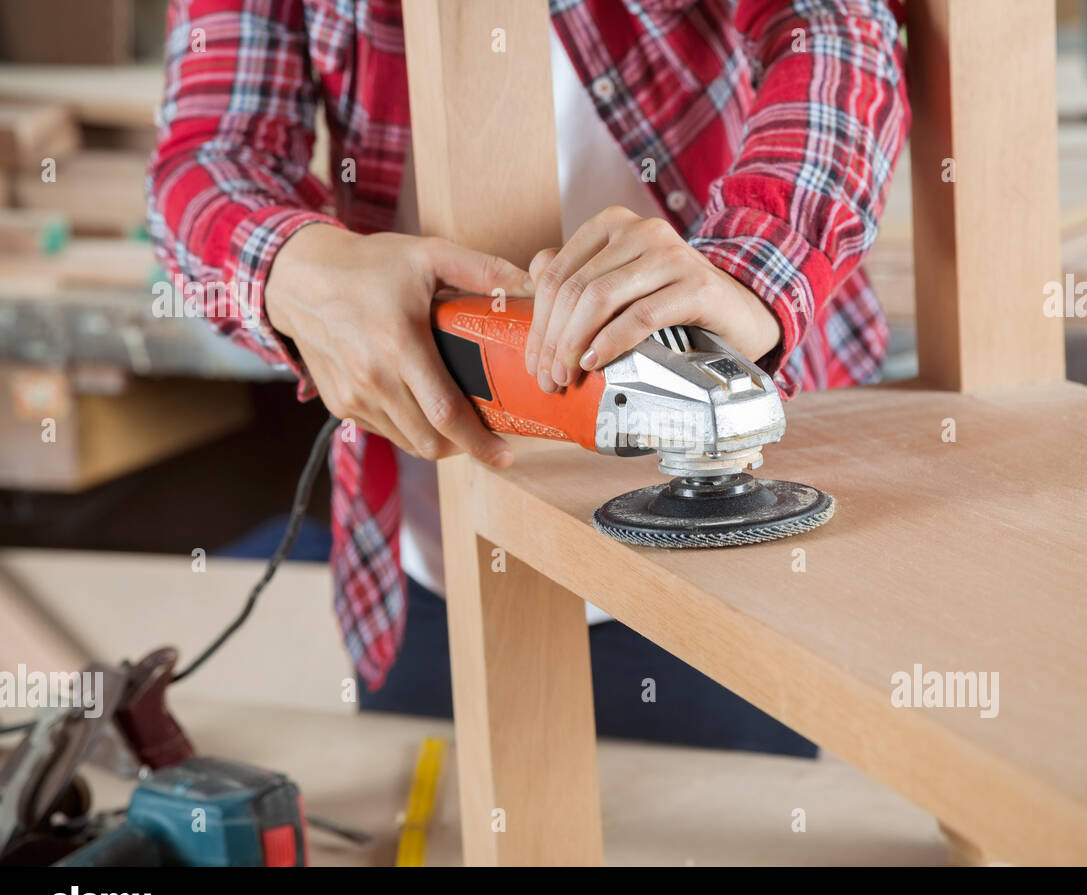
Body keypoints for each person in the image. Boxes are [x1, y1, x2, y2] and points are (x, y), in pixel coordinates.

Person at [147, 0, 909, 756]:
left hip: (746, 569)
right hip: (433, 549)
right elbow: (208, 156)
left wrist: (755, 264)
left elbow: (832, 27)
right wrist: (291, 268)